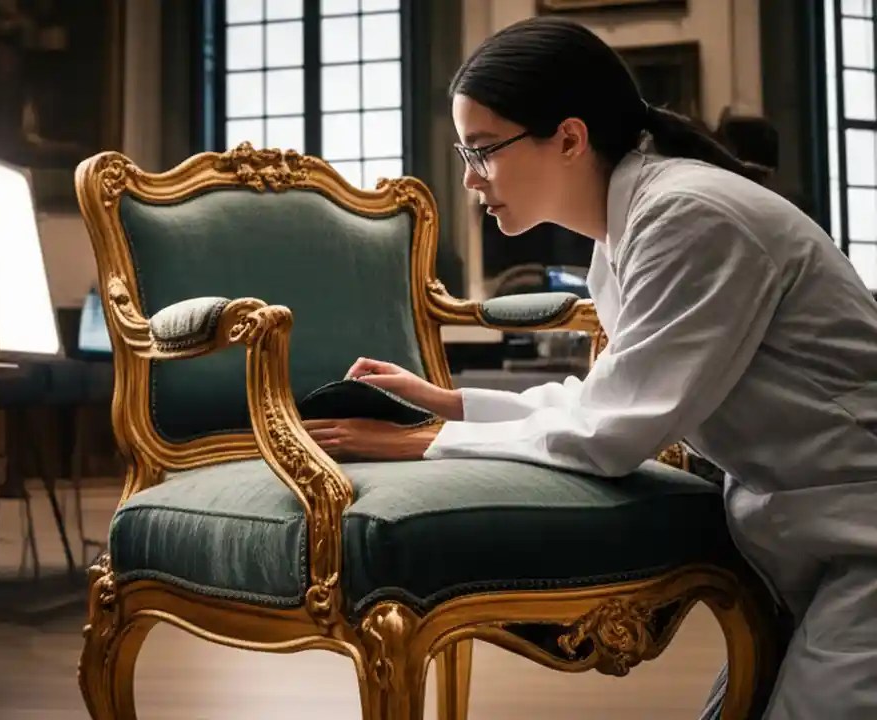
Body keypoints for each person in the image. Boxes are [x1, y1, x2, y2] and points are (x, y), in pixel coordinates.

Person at [303, 16, 877, 720]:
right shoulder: (628, 233)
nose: (469, 178)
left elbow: (609, 434)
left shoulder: (689, 218)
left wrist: (419, 441)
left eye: (482, 150)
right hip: (809, 539)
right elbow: (608, 400)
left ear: (570, 139)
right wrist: (448, 402)